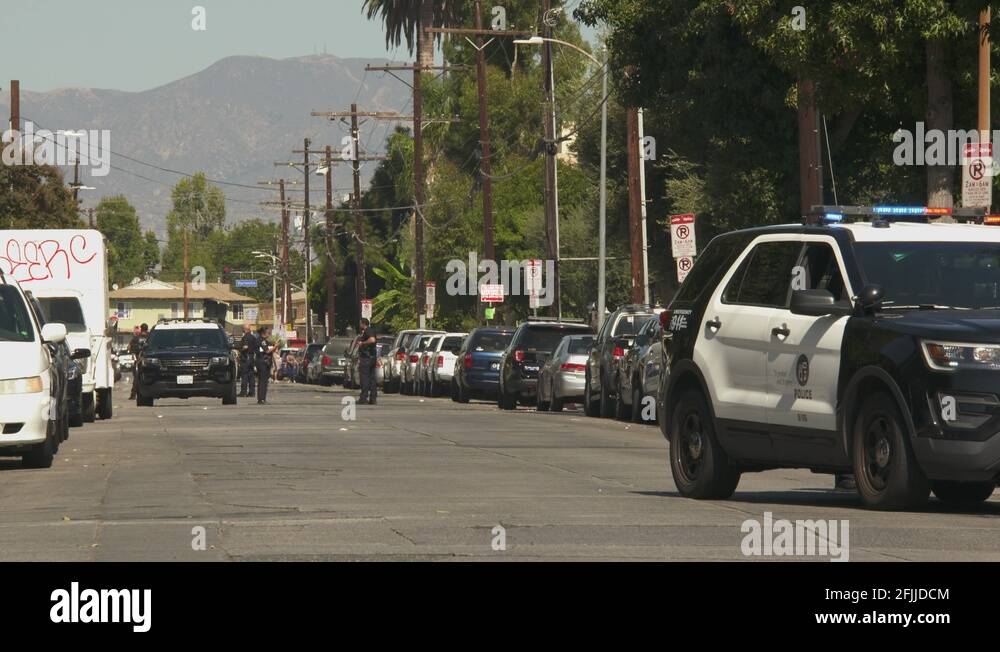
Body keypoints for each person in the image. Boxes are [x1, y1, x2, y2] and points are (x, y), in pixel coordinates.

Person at [356, 318, 378, 405]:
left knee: (364, 378)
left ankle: (363, 398)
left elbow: (372, 340)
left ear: (363, 324)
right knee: (372, 378)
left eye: (360, 323)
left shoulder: (368, 330)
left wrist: (362, 343)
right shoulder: (371, 330)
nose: (359, 325)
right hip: (372, 358)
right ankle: (373, 398)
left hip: (366, 358)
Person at [127, 323, 148, 399]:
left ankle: (133, 395)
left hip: (138, 360)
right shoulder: (150, 337)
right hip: (148, 360)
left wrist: (133, 352)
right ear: (147, 329)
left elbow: (129, 347)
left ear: (141, 329)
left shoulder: (136, 338)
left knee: (136, 378)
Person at [256, 326, 275, 404]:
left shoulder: (262, 340)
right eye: (268, 333)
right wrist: (275, 346)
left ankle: (261, 398)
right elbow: (267, 351)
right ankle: (262, 399)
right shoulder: (262, 341)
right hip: (263, 362)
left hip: (261, 361)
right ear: (264, 333)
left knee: (261, 381)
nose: (269, 334)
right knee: (263, 381)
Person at [238, 323, 257, 398]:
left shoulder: (245, 337)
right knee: (251, 375)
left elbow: (245, 347)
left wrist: (241, 349)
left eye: (243, 328)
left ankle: (243, 392)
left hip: (246, 357)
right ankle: (252, 392)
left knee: (244, 375)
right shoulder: (253, 337)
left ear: (245, 329)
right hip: (252, 357)